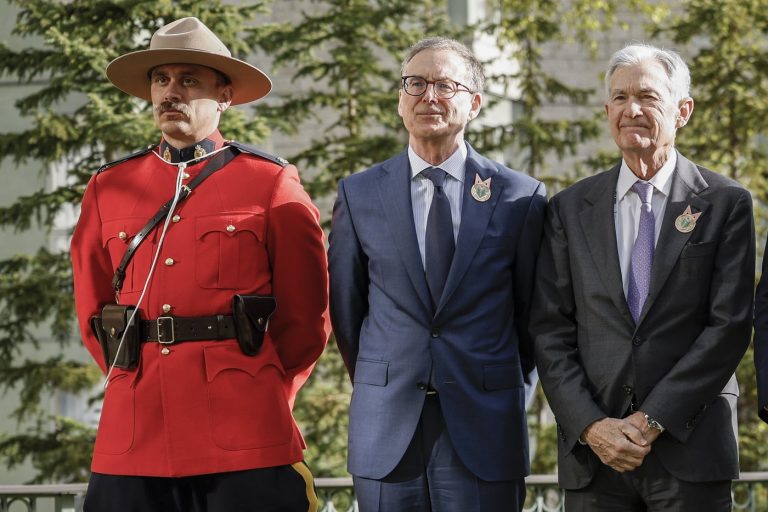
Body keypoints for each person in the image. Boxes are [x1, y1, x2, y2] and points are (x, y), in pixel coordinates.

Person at [70, 17, 330, 512]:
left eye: (189, 79)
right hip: (136, 435)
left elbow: (307, 321)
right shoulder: (109, 187)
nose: (171, 92)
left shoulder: (270, 183)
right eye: (160, 79)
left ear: (225, 95)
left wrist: (258, 386)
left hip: (244, 430)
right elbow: (92, 313)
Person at [531, 43, 754, 511]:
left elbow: (728, 326)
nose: (631, 109)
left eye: (648, 97)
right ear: (607, 109)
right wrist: (593, 427)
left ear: (682, 111)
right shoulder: (570, 208)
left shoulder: (725, 203)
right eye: (619, 98)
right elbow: (550, 331)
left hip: (690, 449)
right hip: (596, 457)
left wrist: (650, 421)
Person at [328, 37, 547, 512]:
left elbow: (534, 317)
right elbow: (347, 311)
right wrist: (385, 376)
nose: (428, 96)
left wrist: (501, 387)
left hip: (485, 425)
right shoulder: (360, 193)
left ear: (474, 103)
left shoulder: (519, 197)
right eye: (416, 83)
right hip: (388, 429)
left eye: (445, 85)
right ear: (400, 99)